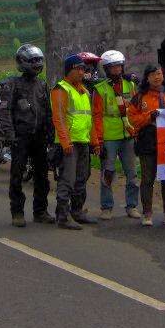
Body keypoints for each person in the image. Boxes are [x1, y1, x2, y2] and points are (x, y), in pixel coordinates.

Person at [0, 44, 55, 227]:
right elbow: (4, 112)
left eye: (39, 60)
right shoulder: (12, 84)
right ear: (22, 62)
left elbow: (47, 111)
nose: (37, 64)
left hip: (39, 137)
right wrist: (10, 134)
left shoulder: (42, 85)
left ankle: (40, 211)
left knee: (42, 176)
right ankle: (17, 212)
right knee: (17, 175)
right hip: (20, 137)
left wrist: (50, 134)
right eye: (33, 60)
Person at [50, 52, 101, 230]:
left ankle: (77, 211)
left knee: (82, 178)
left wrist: (95, 142)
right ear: (69, 71)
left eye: (83, 69)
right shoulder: (60, 89)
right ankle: (63, 216)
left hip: (83, 142)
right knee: (67, 179)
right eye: (78, 69)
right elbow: (59, 118)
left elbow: (89, 119)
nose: (81, 72)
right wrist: (65, 142)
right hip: (69, 144)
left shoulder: (84, 91)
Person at [127, 65, 165, 227]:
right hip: (147, 141)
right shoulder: (139, 97)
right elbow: (132, 119)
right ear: (147, 78)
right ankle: (147, 213)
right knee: (147, 178)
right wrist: (149, 116)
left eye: (159, 74)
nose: (157, 77)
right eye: (152, 74)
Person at [93, 50, 140, 220]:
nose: (117, 70)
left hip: (128, 134)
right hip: (109, 136)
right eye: (113, 67)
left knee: (132, 174)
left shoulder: (130, 85)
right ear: (106, 69)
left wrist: (136, 131)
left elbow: (136, 109)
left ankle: (132, 206)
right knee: (108, 173)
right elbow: (97, 116)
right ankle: (106, 207)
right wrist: (98, 140)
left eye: (119, 66)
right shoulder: (100, 89)